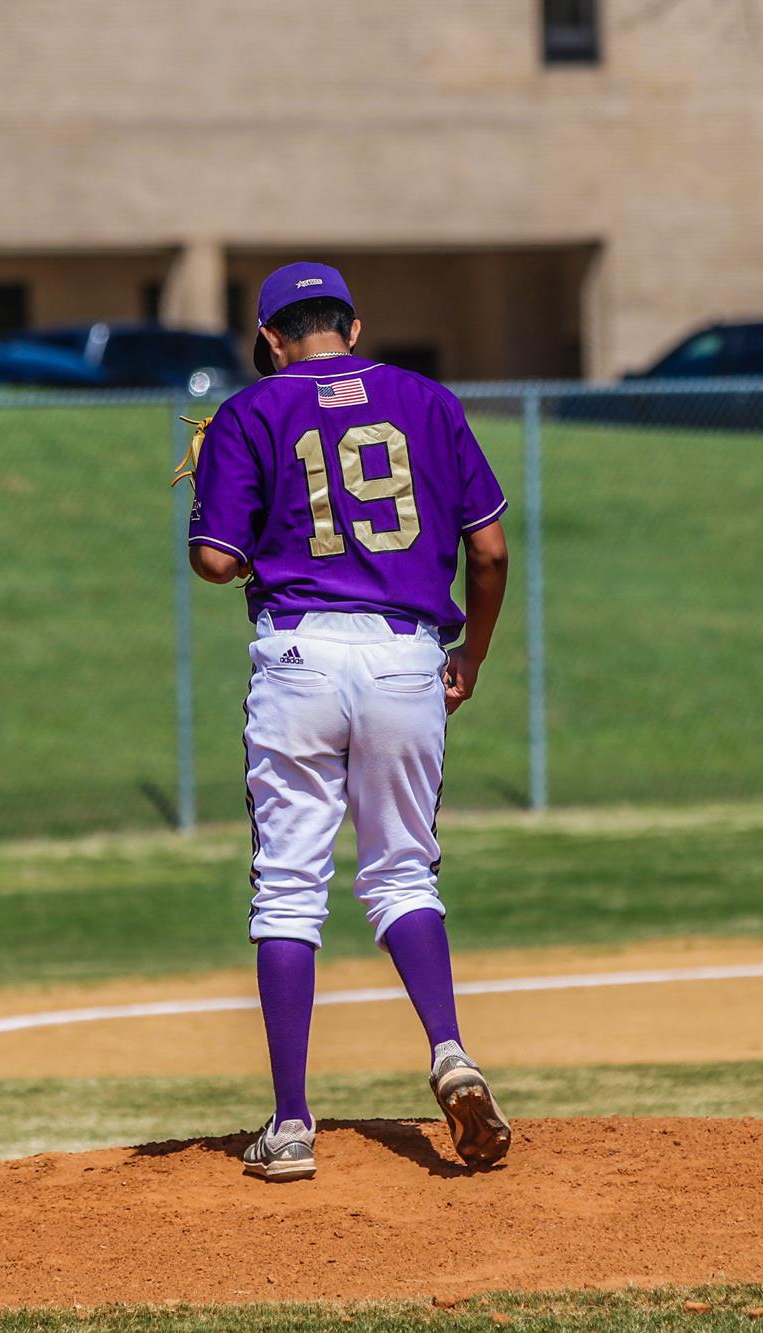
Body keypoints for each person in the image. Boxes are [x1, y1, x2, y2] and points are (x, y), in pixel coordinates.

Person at [181, 262, 512, 1180]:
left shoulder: (251, 410)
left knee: (289, 886)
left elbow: (215, 560)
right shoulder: (429, 401)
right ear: (354, 327)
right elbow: (488, 550)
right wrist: (473, 655)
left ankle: (291, 1125)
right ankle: (450, 1050)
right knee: (403, 871)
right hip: (407, 656)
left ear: (270, 339)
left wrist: (224, 498)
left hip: (299, 655)